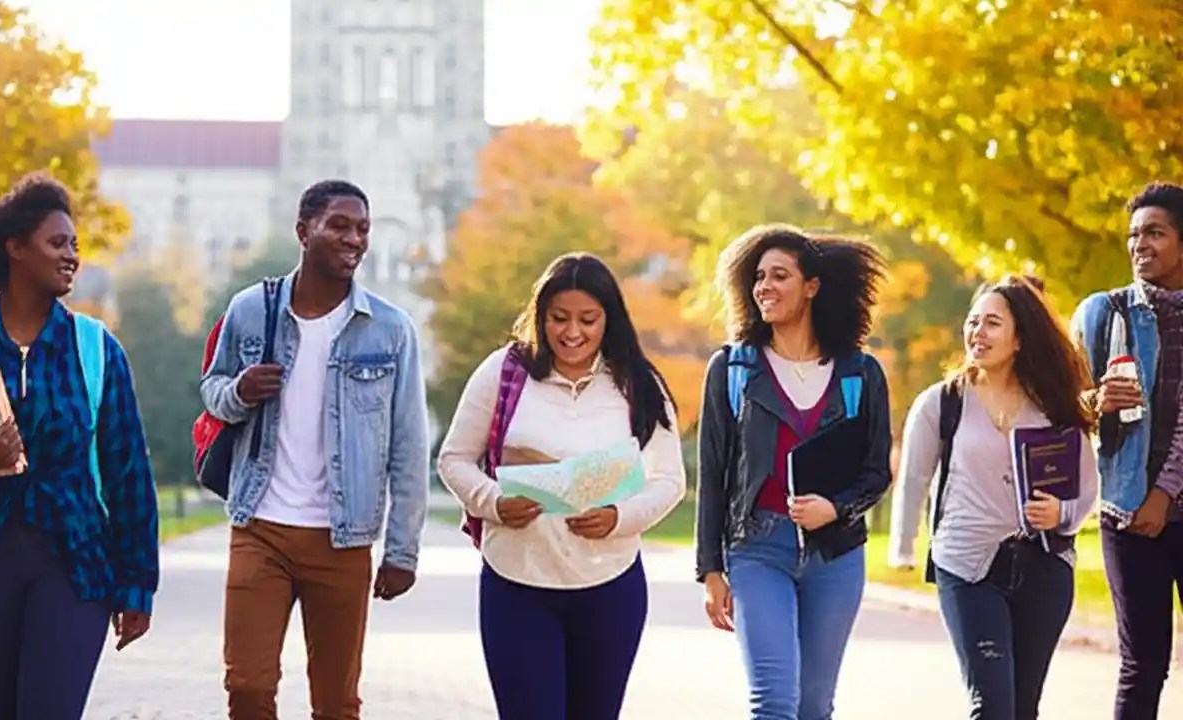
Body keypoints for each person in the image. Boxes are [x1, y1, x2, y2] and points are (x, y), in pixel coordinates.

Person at [0, 173, 158, 719]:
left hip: (75, 566)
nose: (71, 256)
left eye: (75, 245)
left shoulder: (95, 349)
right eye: (57, 243)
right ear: (15, 249)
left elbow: (128, 471)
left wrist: (138, 583)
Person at [200, 179, 429, 720]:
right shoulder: (251, 309)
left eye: (363, 229)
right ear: (304, 231)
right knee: (248, 688)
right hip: (261, 528)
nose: (355, 239)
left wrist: (402, 551)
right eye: (340, 226)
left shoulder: (391, 330)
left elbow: (408, 445)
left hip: (343, 540)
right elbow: (212, 389)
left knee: (336, 702)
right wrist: (239, 392)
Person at [437, 252, 687, 720]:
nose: (572, 332)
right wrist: (493, 501)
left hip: (609, 587)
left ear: (608, 320)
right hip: (518, 585)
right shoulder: (503, 372)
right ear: (540, 317)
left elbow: (670, 480)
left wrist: (619, 518)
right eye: (559, 319)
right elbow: (454, 458)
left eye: (587, 320)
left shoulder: (637, 383)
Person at [694, 224, 891, 719]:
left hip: (836, 556)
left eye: (779, 275)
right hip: (757, 550)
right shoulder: (733, 369)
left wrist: (837, 508)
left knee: (813, 706)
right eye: (758, 277)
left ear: (812, 286)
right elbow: (714, 472)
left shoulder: (859, 373)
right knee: (774, 702)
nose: (765, 287)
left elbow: (875, 471)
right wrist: (710, 568)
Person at [891, 275, 1099, 719]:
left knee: (1024, 708)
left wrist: (1060, 513)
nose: (977, 333)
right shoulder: (942, 402)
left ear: (1019, 337)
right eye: (972, 322)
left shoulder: (1055, 405)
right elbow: (914, 477)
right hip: (966, 566)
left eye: (991, 324)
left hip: (1045, 569)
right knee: (992, 707)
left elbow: (1086, 486)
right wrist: (904, 547)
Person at [1070, 181, 1183, 719]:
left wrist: (1164, 492)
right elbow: (1059, 408)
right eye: (1134, 235)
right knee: (1143, 664)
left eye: (1156, 233)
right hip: (1126, 513)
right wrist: (1095, 403)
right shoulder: (1101, 314)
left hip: (1161, 501)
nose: (1141, 244)